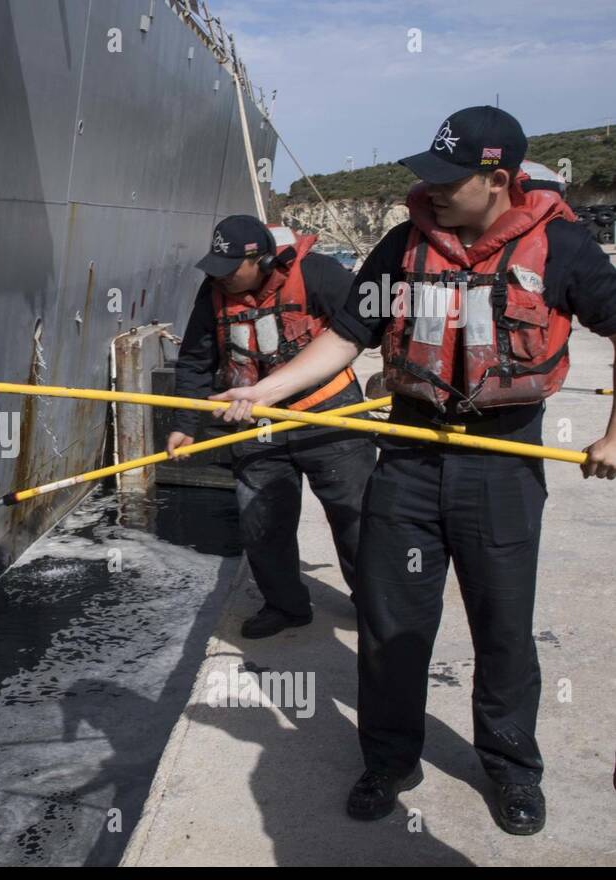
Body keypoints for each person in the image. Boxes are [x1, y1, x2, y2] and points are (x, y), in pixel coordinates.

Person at [210, 106, 616, 835]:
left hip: (502, 460)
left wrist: (615, 434)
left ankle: (512, 767)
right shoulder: (403, 246)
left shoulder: (562, 245)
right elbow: (344, 338)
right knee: (391, 620)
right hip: (407, 454)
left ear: (496, 180)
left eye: (446, 179)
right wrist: (262, 392)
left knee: (502, 628)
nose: (429, 191)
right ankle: (390, 758)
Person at [168, 215, 376, 639]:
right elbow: (194, 360)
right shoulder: (213, 294)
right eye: (215, 268)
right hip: (258, 427)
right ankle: (286, 605)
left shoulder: (318, 274)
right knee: (261, 520)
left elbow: (368, 326)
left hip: (329, 416)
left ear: (262, 261)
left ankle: (375, 604)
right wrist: (185, 423)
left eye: (230, 269)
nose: (220, 278)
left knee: (357, 518)